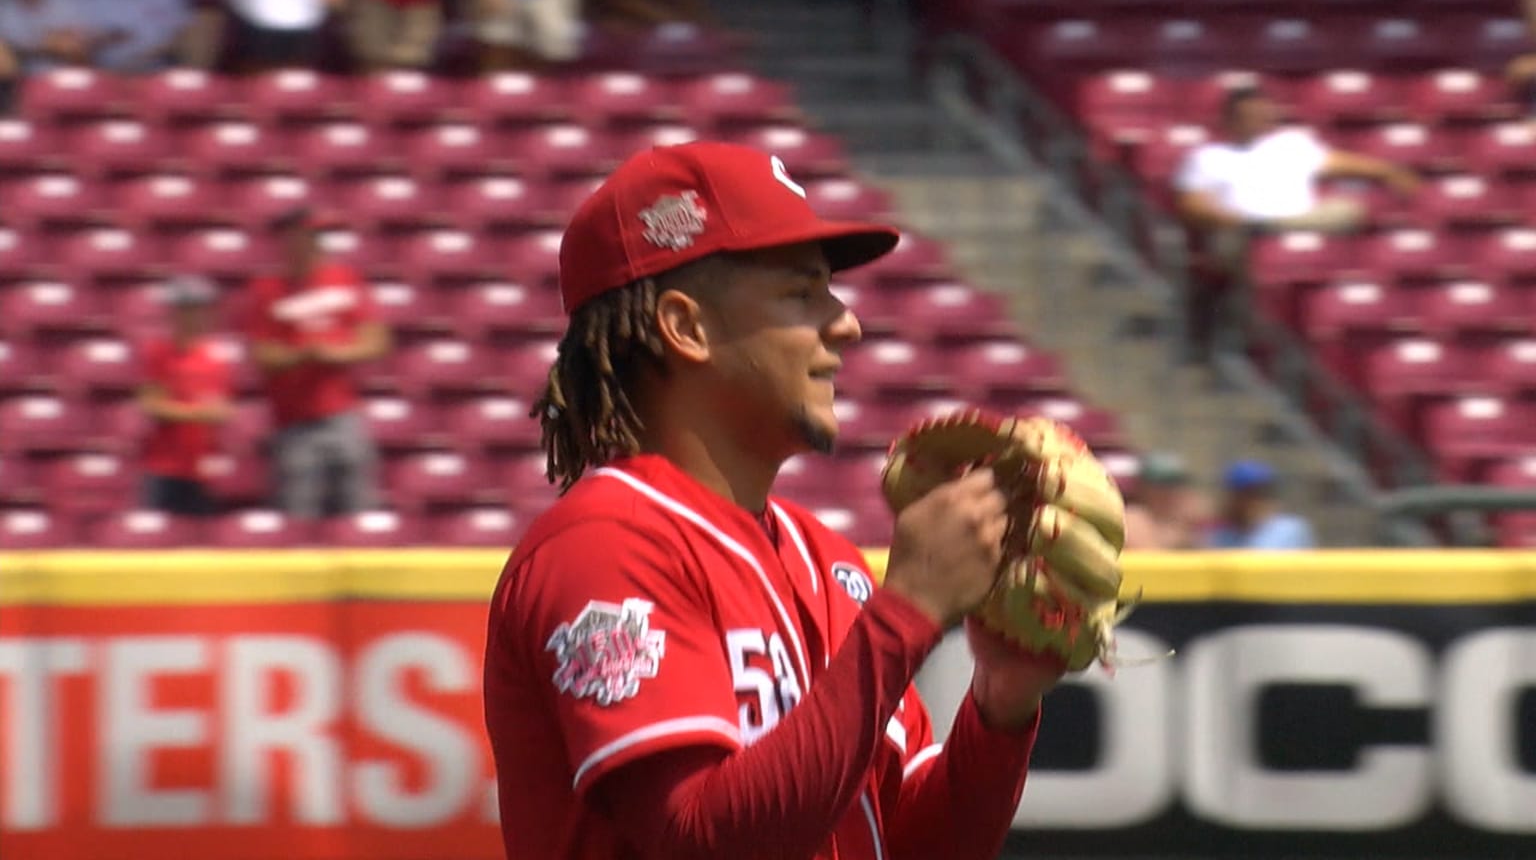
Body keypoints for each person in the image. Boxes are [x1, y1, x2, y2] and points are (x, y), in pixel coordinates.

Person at [482, 141, 1067, 860]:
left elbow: (914, 844)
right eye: (801, 292)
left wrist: (1000, 704)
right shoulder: (604, 546)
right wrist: (908, 611)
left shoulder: (829, 562)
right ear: (687, 327)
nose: (846, 322)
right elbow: (699, 837)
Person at [1173, 85, 1421, 361]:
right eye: (1248, 115)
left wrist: (1387, 171)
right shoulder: (1209, 157)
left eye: (1263, 114)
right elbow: (1191, 205)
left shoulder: (1292, 143)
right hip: (1247, 230)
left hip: (1302, 223)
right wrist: (1231, 218)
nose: (1259, 121)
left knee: (1350, 208)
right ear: (1230, 119)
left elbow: (1340, 163)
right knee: (1233, 241)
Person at [245, 205, 389, 518]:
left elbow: (376, 340)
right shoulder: (268, 291)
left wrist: (335, 354)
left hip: (341, 413)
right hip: (294, 421)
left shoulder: (345, 280)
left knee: (357, 507)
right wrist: (302, 354)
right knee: (298, 511)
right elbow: (263, 355)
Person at [136, 275, 235, 517]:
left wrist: (213, 413)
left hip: (201, 468)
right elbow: (151, 405)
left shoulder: (217, 358)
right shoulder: (158, 353)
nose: (192, 317)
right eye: (185, 310)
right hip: (163, 467)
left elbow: (224, 409)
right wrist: (197, 413)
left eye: (197, 310)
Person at [1207, 459, 1317, 550]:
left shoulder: (1291, 530)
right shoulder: (1222, 537)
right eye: (1247, 494)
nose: (1254, 501)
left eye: (1261, 493)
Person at [1122, 451, 1210, 550]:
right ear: (1144, 489)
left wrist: (1187, 530)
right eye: (1161, 486)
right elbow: (1150, 558)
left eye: (1175, 484)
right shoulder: (1133, 517)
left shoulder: (1183, 520)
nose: (1169, 492)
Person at [346, 0, 443, 71]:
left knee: (417, 58)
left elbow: (419, 54)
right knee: (371, 54)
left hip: (422, 4)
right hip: (374, 3)